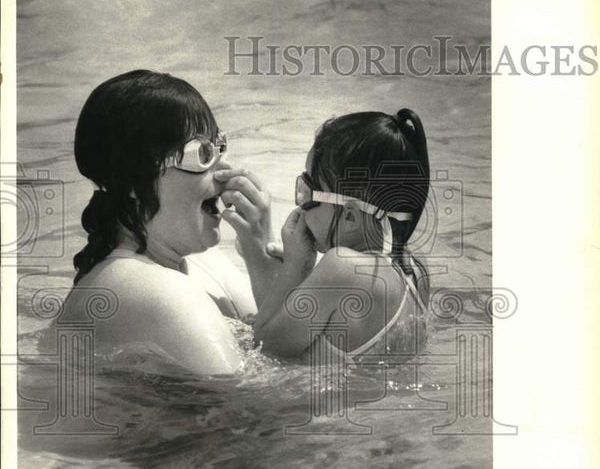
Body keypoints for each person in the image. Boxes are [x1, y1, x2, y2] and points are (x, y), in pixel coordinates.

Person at [61, 70, 279, 375]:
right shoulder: (155, 291)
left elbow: (279, 344)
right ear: (134, 183)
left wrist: (262, 258)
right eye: (202, 153)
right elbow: (270, 411)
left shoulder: (207, 267)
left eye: (220, 146)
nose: (224, 169)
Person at [253, 109, 430, 360]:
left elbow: (262, 347)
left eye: (307, 193)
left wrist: (296, 265)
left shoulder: (342, 267)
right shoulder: (416, 271)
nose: (300, 207)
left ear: (349, 216)